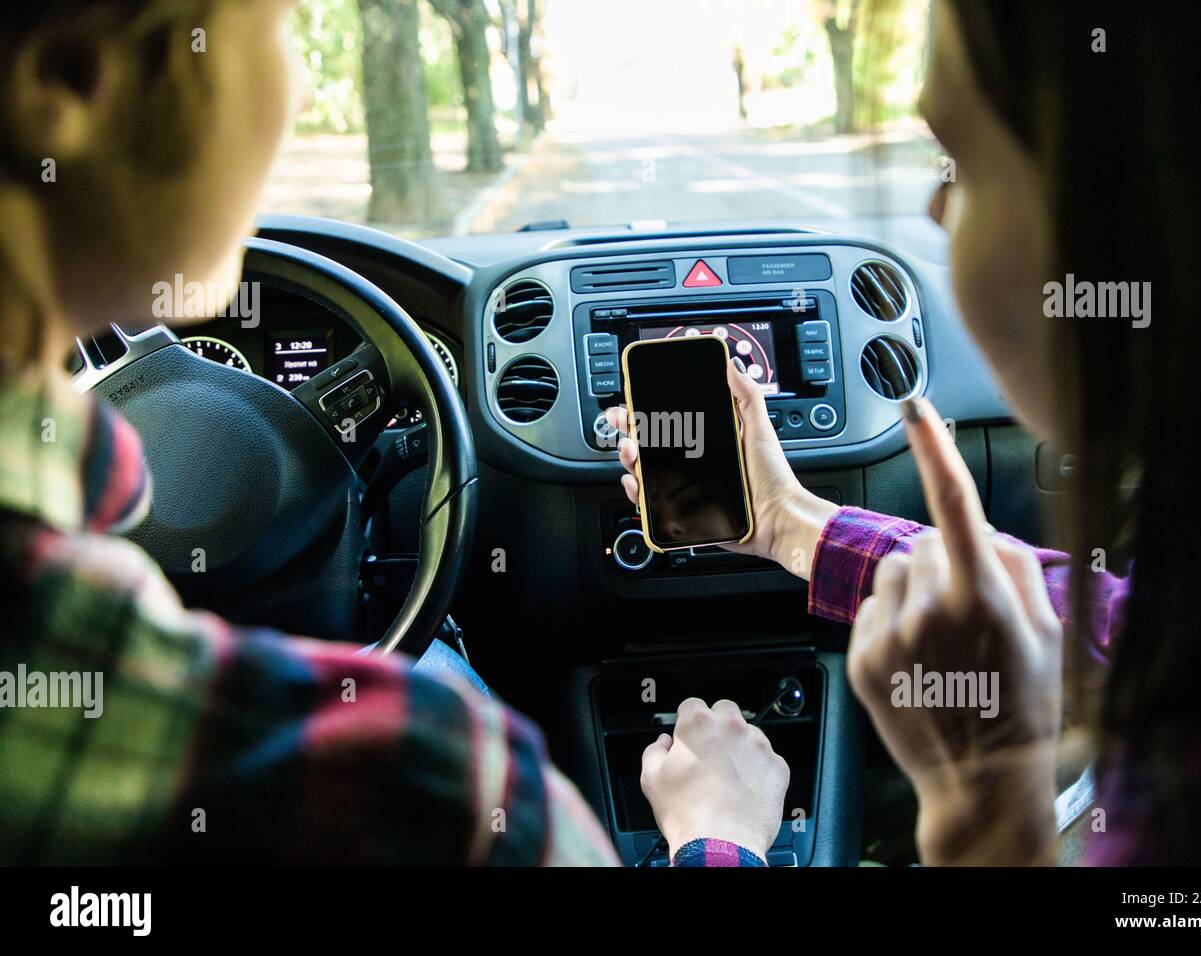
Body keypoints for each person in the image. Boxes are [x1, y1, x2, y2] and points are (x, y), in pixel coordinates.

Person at [0, 0, 790, 866]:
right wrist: (723, 838)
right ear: (65, 85)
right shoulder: (435, 790)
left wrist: (794, 528)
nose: (298, 88)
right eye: (276, 31)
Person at [612, 0, 1201, 865]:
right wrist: (790, 524)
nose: (936, 210)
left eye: (959, 161)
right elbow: (1121, 628)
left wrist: (722, 841)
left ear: (1141, 211)